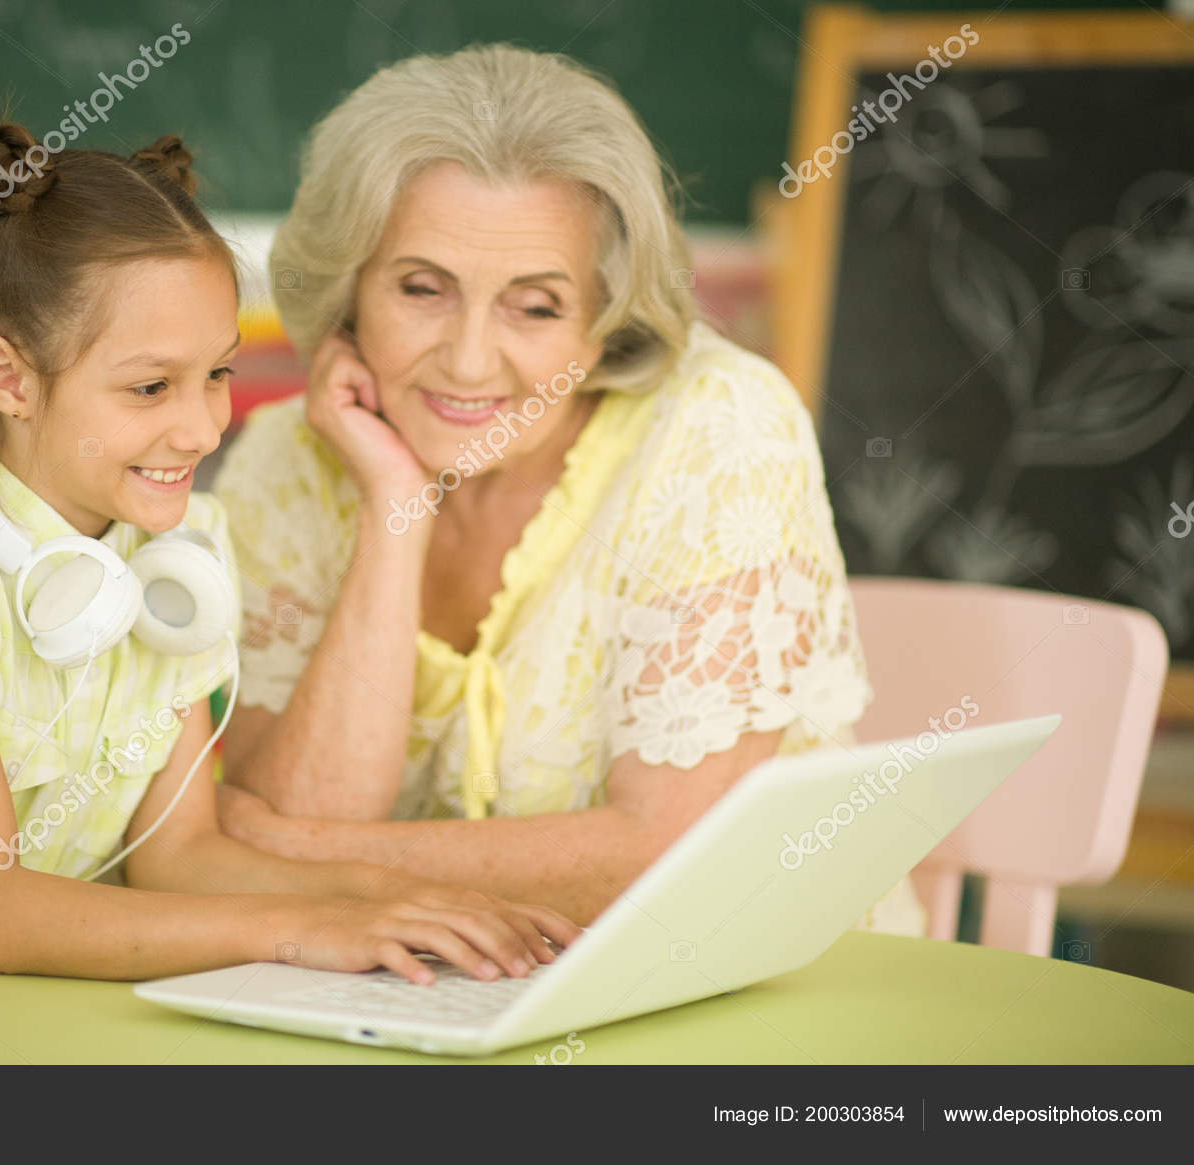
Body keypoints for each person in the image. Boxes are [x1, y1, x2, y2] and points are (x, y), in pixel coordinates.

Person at [0, 120, 576, 1065]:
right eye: (151, 388)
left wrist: (380, 897)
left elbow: (180, 853)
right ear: (9, 378)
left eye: (218, 375)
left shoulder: (182, 546)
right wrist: (297, 930)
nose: (204, 428)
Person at [213, 44, 928, 934]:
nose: (469, 359)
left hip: (749, 990)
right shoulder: (290, 455)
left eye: (536, 305)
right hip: (438, 997)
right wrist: (397, 514)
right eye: (422, 289)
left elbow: (668, 861)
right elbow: (266, 870)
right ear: (349, 294)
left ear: (606, 317)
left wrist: (300, 854)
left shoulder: (718, 425)